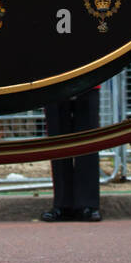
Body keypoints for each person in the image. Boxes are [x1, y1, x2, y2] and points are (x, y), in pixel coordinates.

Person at [41, 87, 101, 222]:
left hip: (88, 78)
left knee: (88, 143)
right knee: (59, 143)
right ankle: (63, 204)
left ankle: (88, 204)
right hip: (52, 79)